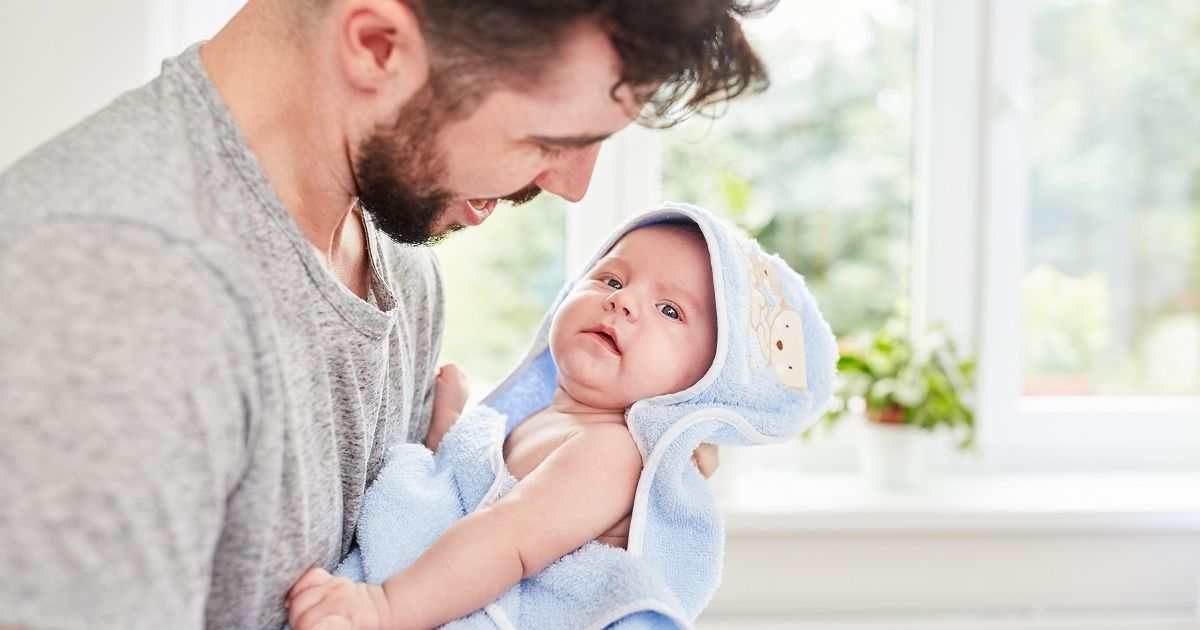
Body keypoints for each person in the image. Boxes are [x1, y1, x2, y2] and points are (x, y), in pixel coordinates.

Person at [0, 1, 776, 628]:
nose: (575, 188)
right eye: (551, 139)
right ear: (376, 46)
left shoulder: (402, 269)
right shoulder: (108, 287)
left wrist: (575, 530)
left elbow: (413, 543)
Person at [284, 204, 838, 629]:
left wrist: (382, 607)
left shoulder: (613, 452)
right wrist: (446, 432)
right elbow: (467, 494)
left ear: (705, 381)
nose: (623, 302)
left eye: (670, 310)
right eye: (613, 280)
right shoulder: (550, 418)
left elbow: (507, 539)